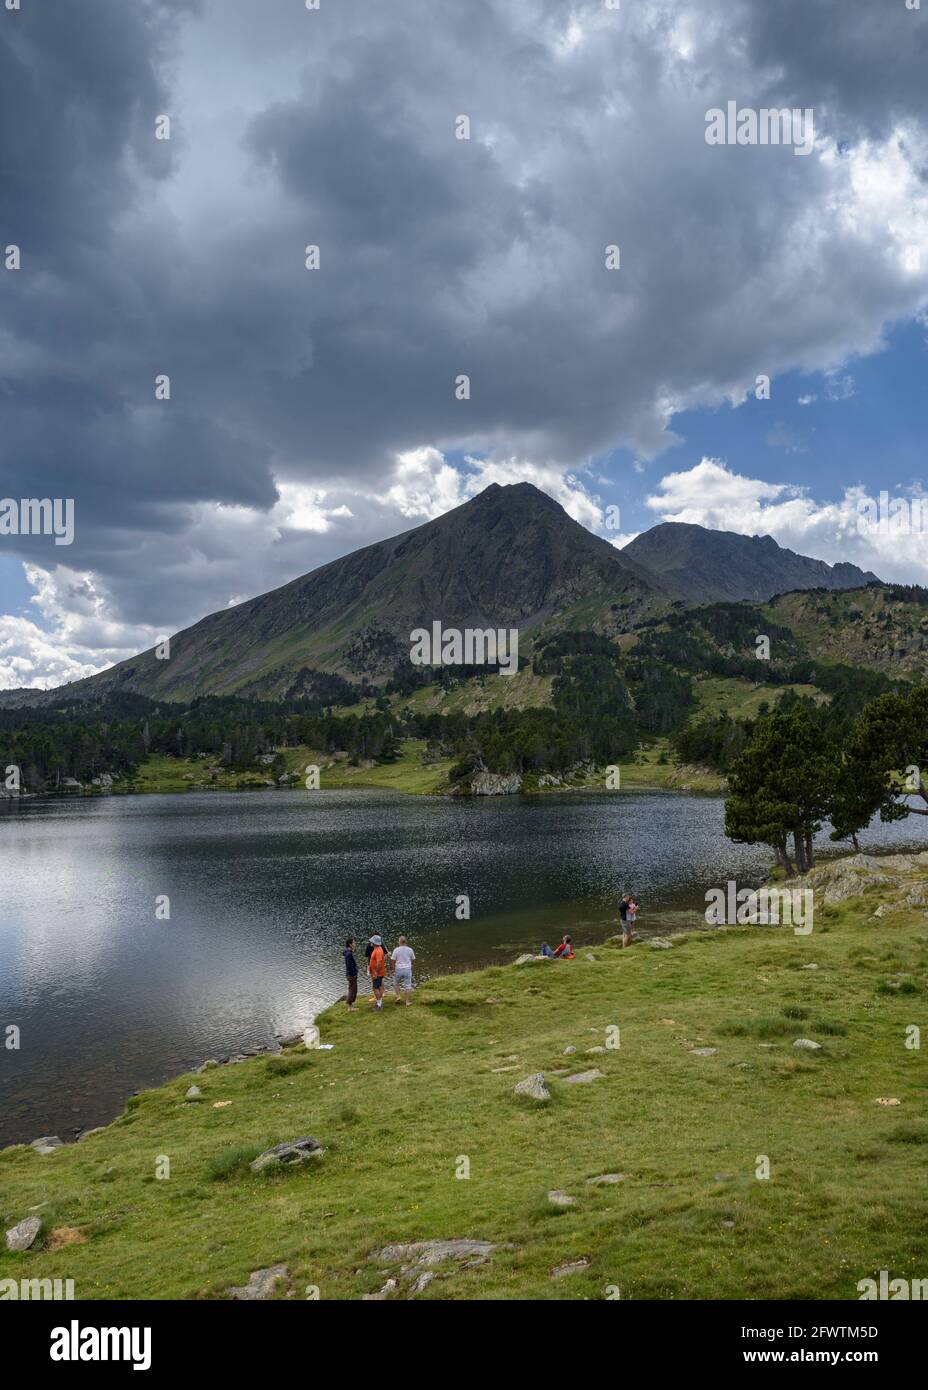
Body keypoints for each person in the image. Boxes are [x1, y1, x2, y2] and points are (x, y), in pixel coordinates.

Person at [390, 934, 416, 1005]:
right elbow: (413, 959)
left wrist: (392, 969)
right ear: (405, 942)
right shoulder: (410, 949)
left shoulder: (396, 950)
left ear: (399, 942)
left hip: (398, 969)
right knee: (408, 986)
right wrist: (411, 965)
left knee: (396, 983)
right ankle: (407, 1002)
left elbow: (392, 961)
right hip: (407, 969)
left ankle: (398, 996)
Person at [368, 934, 386, 1009]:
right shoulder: (377, 949)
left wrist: (375, 973)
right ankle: (380, 1001)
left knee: (375, 988)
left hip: (378, 973)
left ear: (375, 943)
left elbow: (379, 962)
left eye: (372, 941)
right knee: (378, 987)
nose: (370, 942)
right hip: (378, 972)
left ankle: (379, 1004)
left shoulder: (378, 950)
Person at [343, 937, 358, 1011]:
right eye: (354, 943)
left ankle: (351, 1004)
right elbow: (349, 966)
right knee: (352, 990)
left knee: (353, 989)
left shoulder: (348, 952)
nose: (355, 944)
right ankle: (350, 1007)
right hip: (351, 975)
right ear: (350, 944)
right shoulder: (349, 954)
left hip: (350, 974)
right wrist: (354, 973)